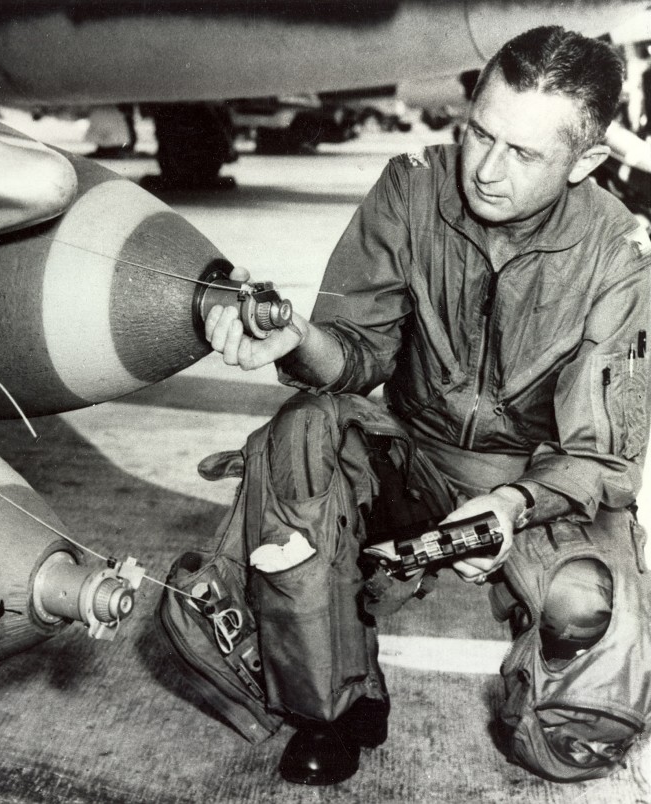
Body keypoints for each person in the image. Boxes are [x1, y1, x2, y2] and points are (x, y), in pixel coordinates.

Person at [204, 26, 651, 785]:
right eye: (479, 132)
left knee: (581, 669)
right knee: (302, 433)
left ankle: (541, 691)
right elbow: (356, 358)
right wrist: (299, 338)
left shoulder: (619, 253)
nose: (484, 169)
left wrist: (511, 505)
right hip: (411, 458)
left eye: (523, 154)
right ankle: (335, 704)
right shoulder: (412, 189)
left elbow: (601, 457)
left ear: (586, 163)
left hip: (538, 483)